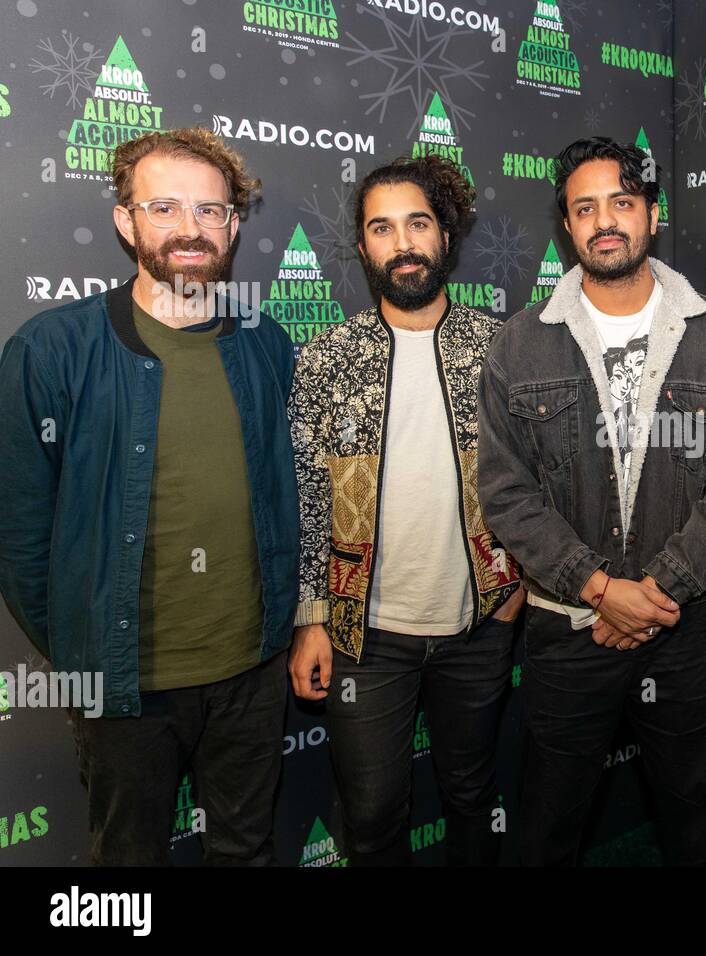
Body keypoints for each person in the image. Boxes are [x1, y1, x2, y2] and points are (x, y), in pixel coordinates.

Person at [0, 128, 298, 865]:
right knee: (126, 866)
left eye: (210, 210)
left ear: (233, 226)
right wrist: (85, 642)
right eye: (163, 206)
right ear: (126, 221)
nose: (190, 228)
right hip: (125, 686)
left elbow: (296, 494)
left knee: (247, 850)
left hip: (252, 673)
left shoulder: (267, 342)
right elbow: (21, 535)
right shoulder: (53, 349)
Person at [477, 136, 706, 865]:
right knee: (548, 828)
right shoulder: (519, 347)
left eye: (622, 202)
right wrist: (601, 589)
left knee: (696, 826)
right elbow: (504, 491)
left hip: (682, 632)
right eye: (586, 208)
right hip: (567, 632)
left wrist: (655, 593)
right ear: (567, 226)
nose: (606, 221)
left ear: (650, 213)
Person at [288, 155, 523, 866]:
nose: (403, 242)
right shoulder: (326, 358)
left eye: (418, 222)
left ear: (445, 235)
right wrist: (312, 619)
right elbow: (308, 498)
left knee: (472, 796)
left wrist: (517, 593)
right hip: (367, 632)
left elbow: (542, 480)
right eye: (382, 228)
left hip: (481, 622)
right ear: (363, 248)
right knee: (372, 813)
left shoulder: (503, 345)